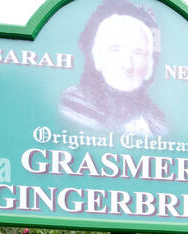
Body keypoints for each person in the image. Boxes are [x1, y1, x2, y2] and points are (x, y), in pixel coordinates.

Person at [58, 0, 168, 137]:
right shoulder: (70, 107)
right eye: (115, 50)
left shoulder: (158, 124)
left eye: (138, 53)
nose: (127, 65)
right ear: (98, 58)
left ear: (148, 66)